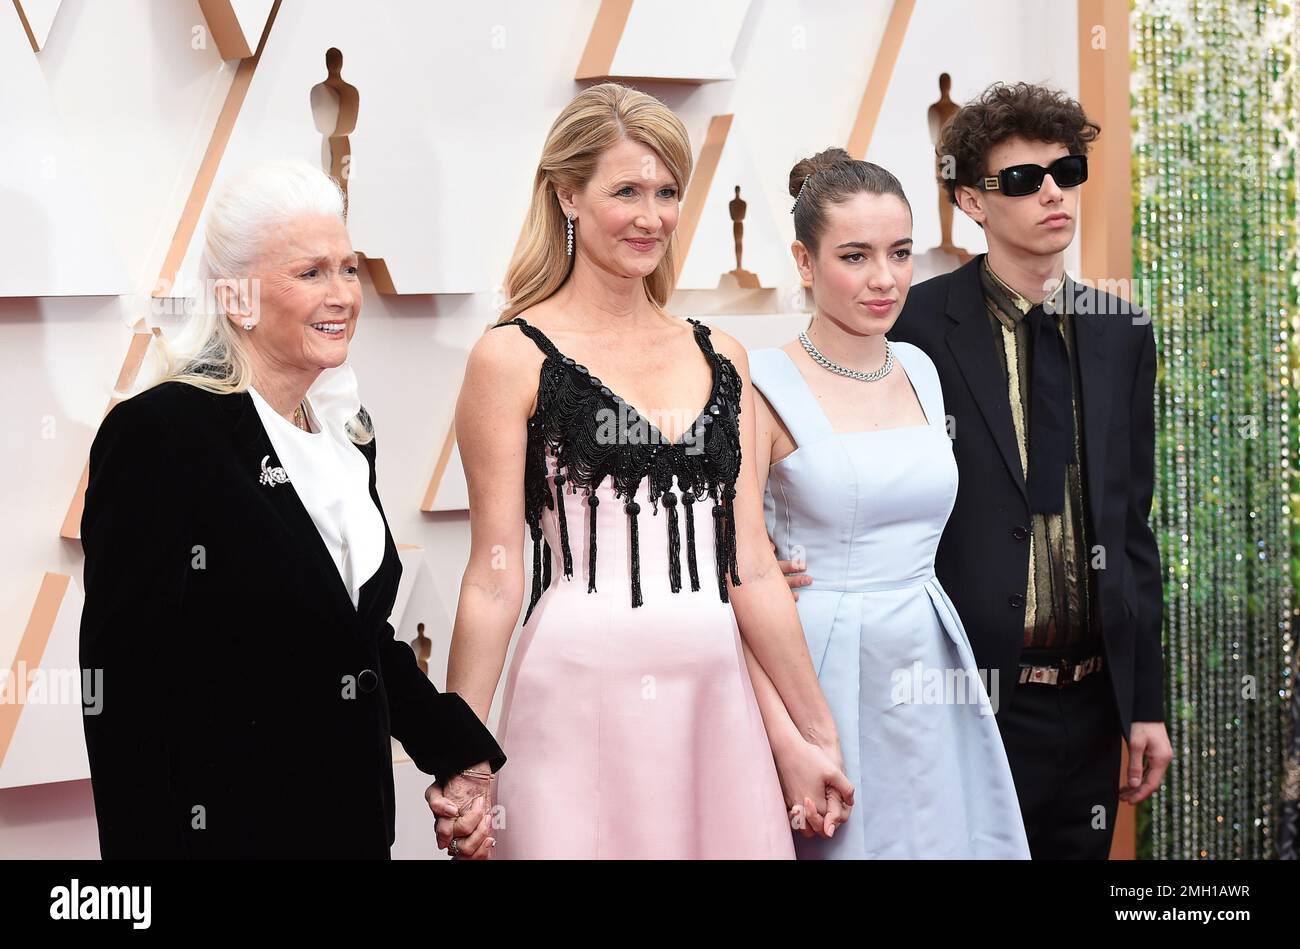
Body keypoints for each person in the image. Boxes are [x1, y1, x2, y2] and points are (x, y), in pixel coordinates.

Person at [448, 82, 852, 858]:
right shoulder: (510, 357)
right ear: (566, 193)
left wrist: (814, 730)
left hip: (715, 697)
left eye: (667, 191)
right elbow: (494, 577)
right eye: (626, 190)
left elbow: (751, 570)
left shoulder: (721, 354)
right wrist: (462, 757)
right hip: (574, 691)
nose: (652, 216)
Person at [79, 159, 505, 859]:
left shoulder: (341, 429)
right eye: (310, 273)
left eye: (348, 268)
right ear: (238, 297)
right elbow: (122, 692)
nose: (342, 294)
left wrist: (457, 751)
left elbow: (356, 640)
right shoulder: (162, 434)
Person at [888, 82, 1173, 858]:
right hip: (968, 694)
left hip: (1090, 701)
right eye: (1022, 179)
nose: (1052, 193)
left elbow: (1132, 529)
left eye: (1066, 172)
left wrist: (1143, 703)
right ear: (973, 203)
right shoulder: (914, 325)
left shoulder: (1123, 332)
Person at [749, 148, 1029, 859]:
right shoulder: (759, 383)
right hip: (817, 660)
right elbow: (730, 569)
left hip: (928, 645)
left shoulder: (922, 368)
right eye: (855, 255)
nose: (884, 279)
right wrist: (748, 574)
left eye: (900, 252)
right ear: (804, 263)